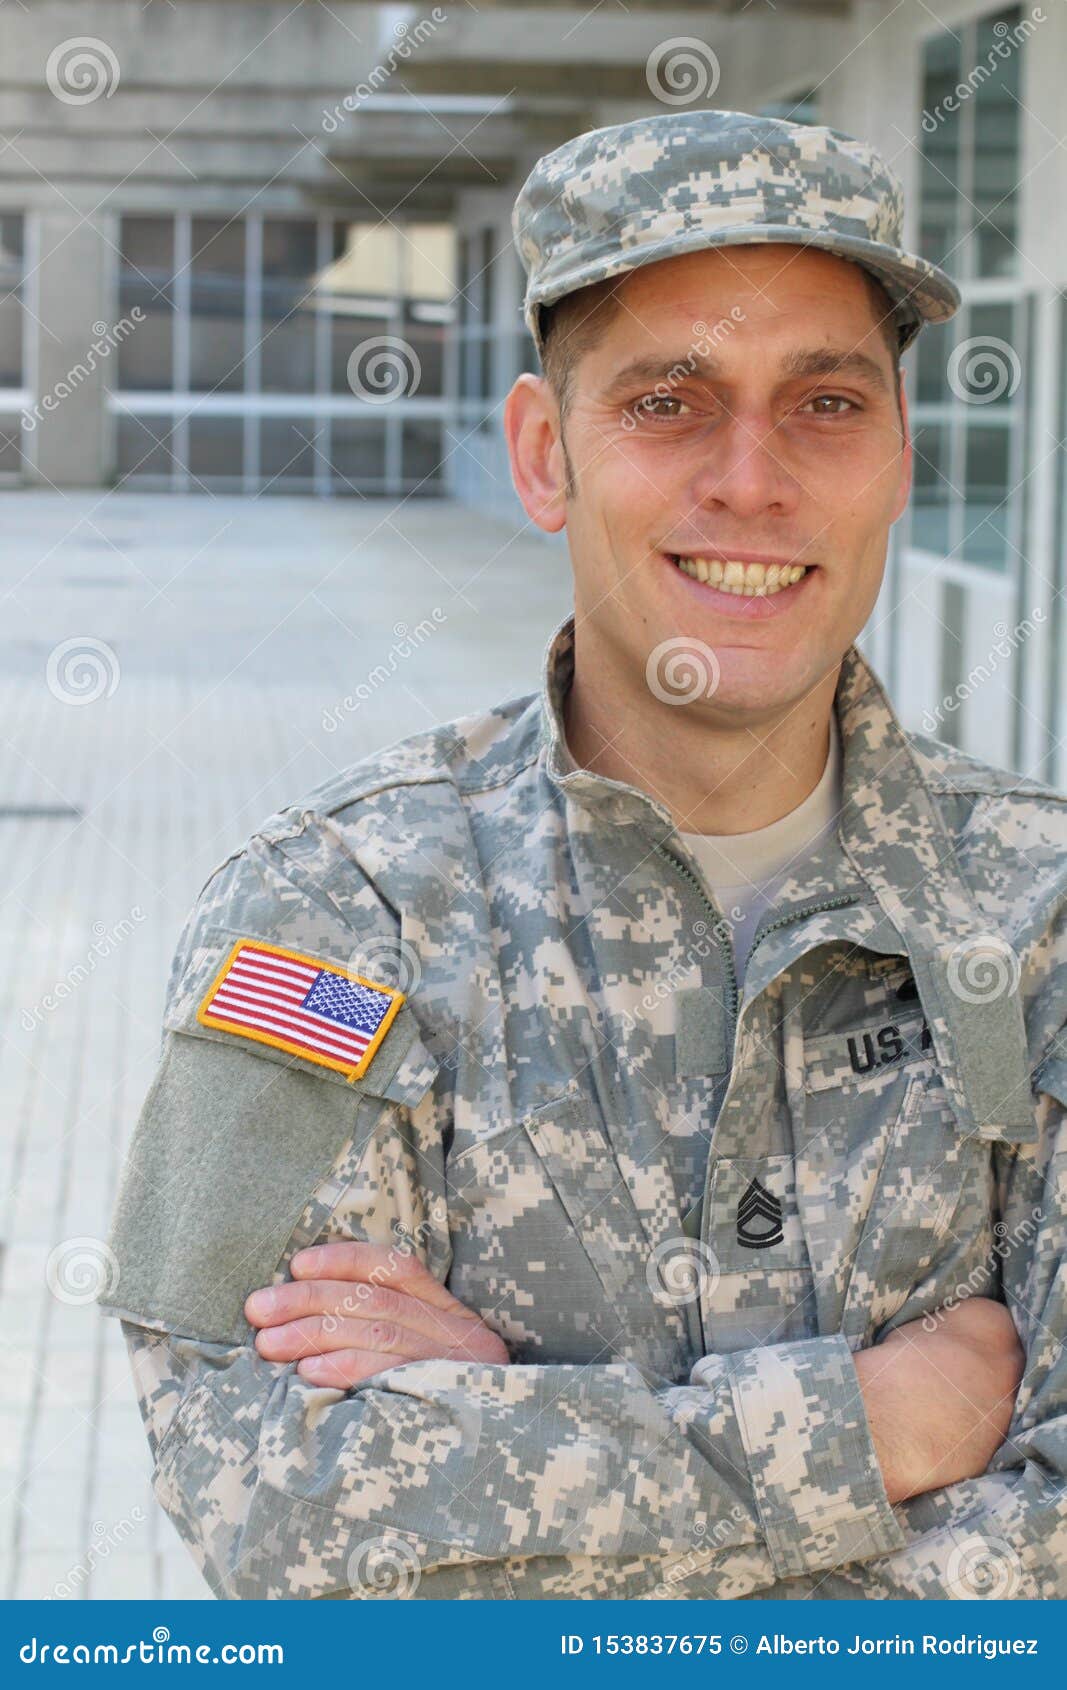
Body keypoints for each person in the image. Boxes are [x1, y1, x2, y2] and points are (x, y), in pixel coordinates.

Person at [99, 110, 1066, 1601]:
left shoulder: (1042, 912)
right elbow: (287, 1528)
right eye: (670, 401)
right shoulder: (336, 912)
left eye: (824, 403)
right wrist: (876, 1426)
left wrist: (515, 1430)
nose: (753, 480)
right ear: (546, 455)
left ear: (897, 459)